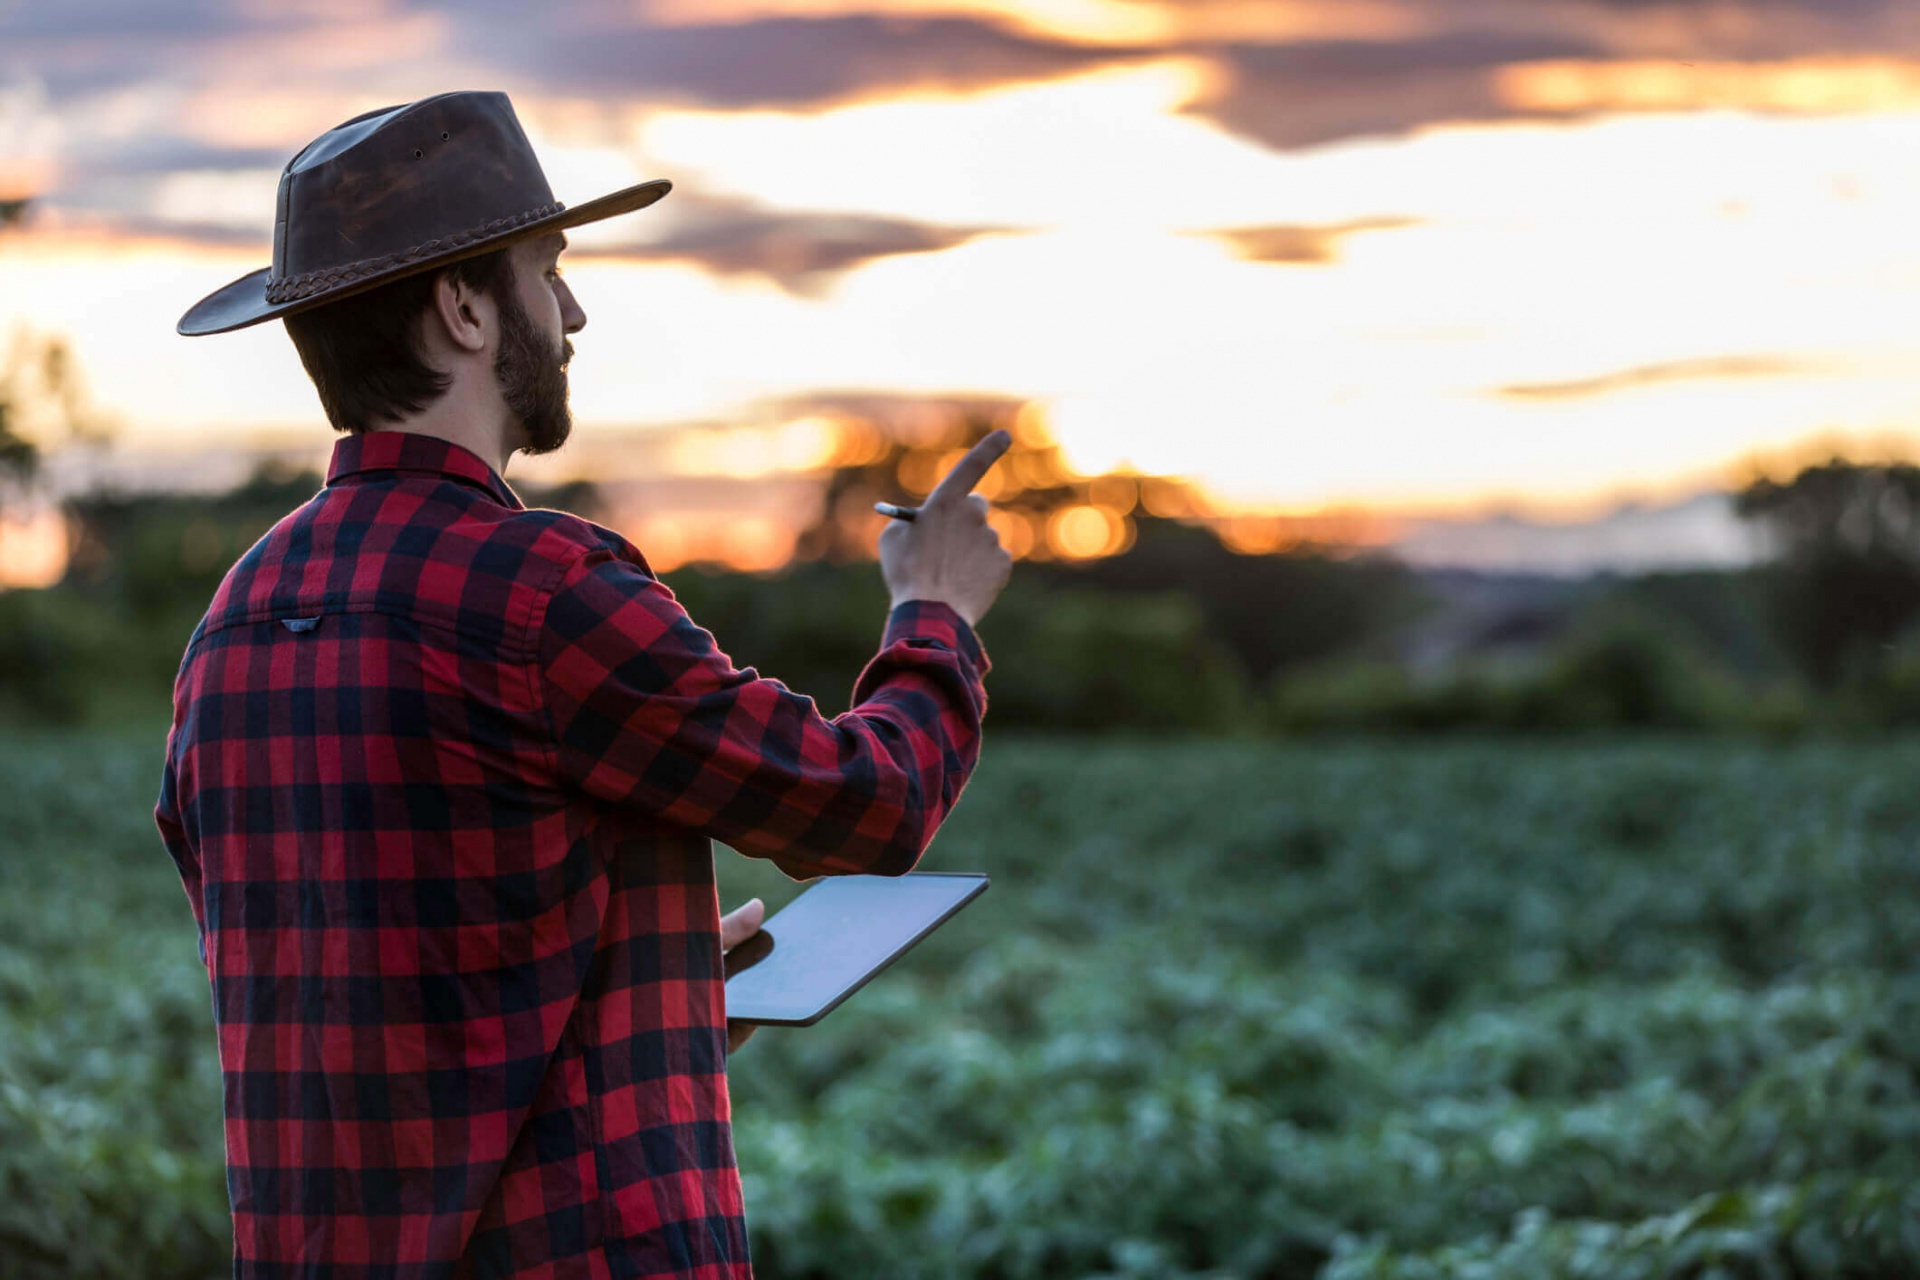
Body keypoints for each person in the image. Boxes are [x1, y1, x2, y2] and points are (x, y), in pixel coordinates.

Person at [157, 90, 1011, 1279]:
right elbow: (870, 803)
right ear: (461, 309)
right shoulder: (541, 587)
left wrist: (638, 994)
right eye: (545, 271)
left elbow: (368, 985)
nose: (570, 311)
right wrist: (934, 606)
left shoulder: (233, 621)